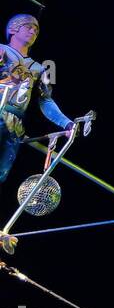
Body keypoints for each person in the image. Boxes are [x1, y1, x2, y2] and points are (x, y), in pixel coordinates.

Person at [1, 13, 77, 187]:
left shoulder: (41, 68)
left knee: (1, 172)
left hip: (14, 124)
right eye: (29, 27)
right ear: (14, 29)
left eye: (36, 30)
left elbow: (46, 100)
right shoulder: (2, 51)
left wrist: (66, 123)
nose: (33, 31)